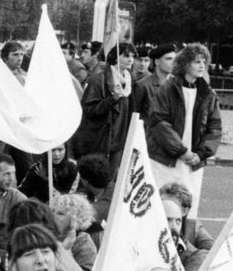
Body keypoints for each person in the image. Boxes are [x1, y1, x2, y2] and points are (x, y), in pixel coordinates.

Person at [148, 43, 222, 211]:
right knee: (162, 203)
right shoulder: (167, 88)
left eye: (204, 61)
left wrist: (201, 154)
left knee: (188, 207)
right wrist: (181, 151)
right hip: (165, 160)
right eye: (197, 61)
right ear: (185, 64)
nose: (202, 65)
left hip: (193, 163)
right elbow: (159, 122)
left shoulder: (209, 94)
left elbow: (215, 128)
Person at [73, 44, 137, 168]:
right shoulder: (98, 80)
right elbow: (88, 110)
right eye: (126, 56)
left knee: (112, 179)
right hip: (100, 140)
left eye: (133, 56)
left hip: (120, 140)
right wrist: (112, 99)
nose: (131, 59)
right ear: (114, 57)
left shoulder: (129, 81)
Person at [50, 192, 99, 271]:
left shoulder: (83, 243)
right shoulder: (46, 234)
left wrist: (65, 250)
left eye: (60, 213)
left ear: (74, 219)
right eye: (53, 211)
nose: (53, 215)